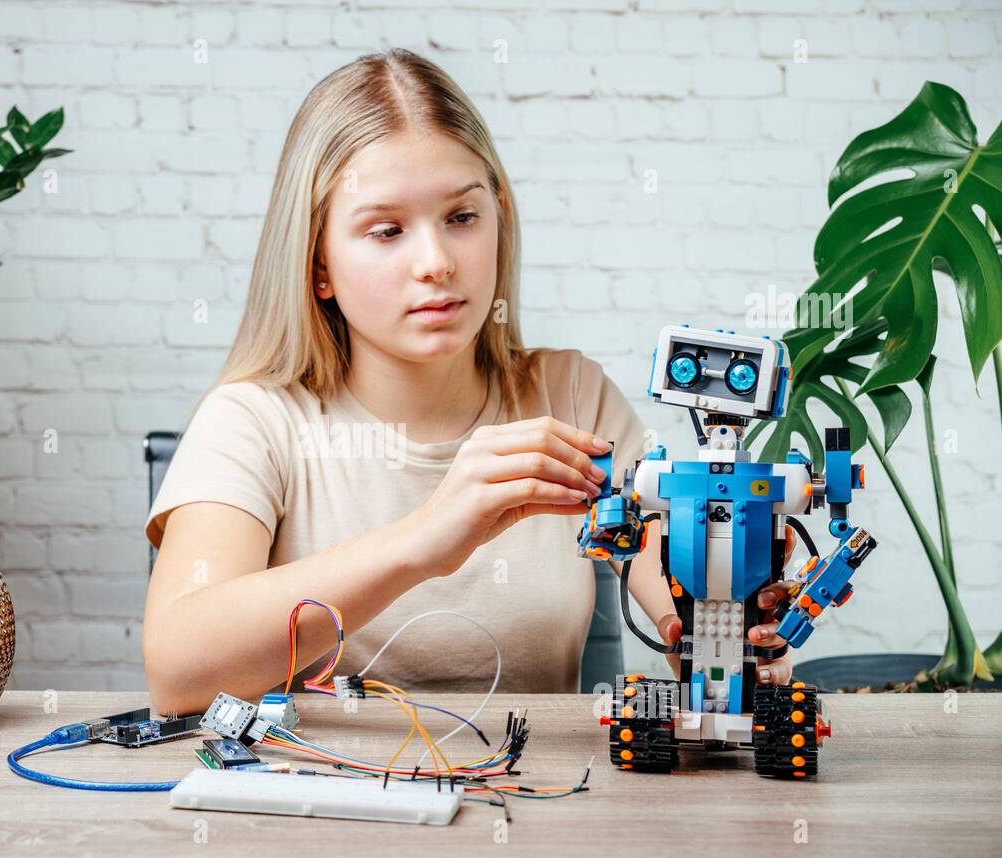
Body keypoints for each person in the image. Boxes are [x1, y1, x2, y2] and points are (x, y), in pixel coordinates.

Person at [142, 49, 794, 716]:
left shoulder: (571, 395)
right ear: (319, 266)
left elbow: (679, 599)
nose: (437, 263)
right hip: (324, 804)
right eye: (387, 230)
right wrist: (423, 540)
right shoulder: (252, 420)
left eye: (461, 217)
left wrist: (729, 624)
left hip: (536, 805)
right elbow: (177, 670)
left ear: (498, 217)